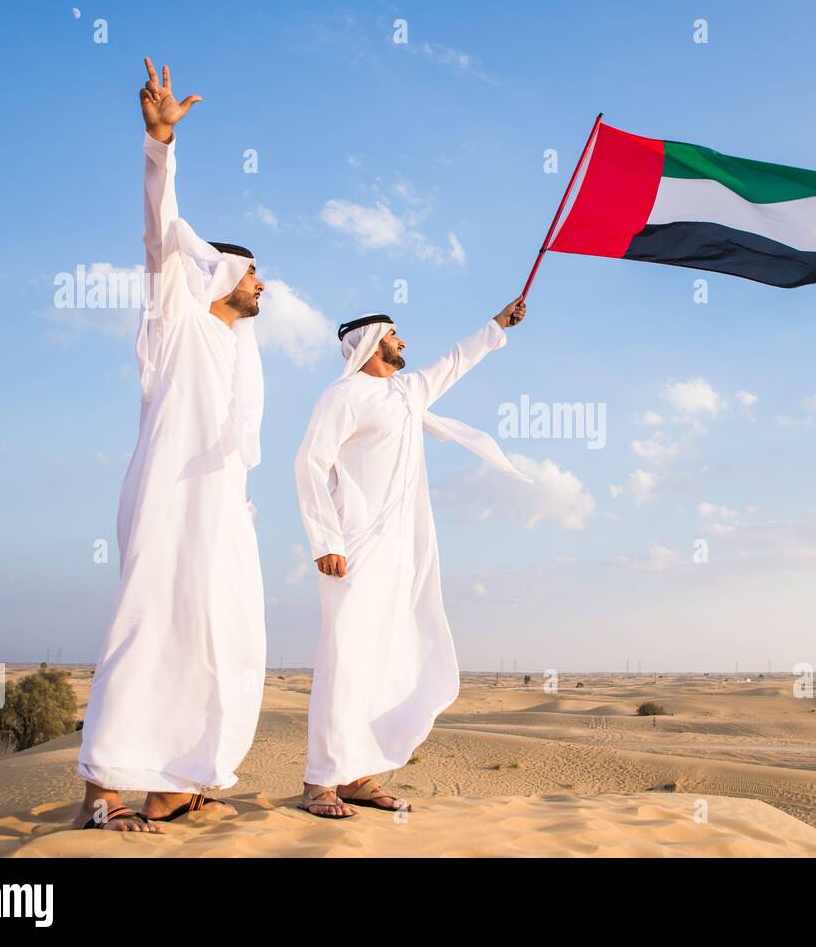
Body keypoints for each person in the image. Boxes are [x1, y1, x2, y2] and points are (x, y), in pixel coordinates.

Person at [71, 58, 267, 832]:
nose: (263, 289)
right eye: (254, 276)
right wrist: (161, 146)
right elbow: (160, 233)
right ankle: (99, 790)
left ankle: (178, 777)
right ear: (219, 274)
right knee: (148, 624)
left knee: (215, 634)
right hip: (164, 500)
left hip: (220, 513)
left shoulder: (237, 357)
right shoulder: (175, 320)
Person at [293, 303, 531, 817]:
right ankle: (319, 781)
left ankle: (358, 776)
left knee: (384, 659)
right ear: (372, 342)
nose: (404, 343)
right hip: (351, 548)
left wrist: (496, 326)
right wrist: (325, 541)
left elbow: (454, 361)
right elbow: (309, 463)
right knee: (346, 660)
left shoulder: (406, 393)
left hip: (401, 552)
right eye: (396, 335)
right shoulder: (343, 395)